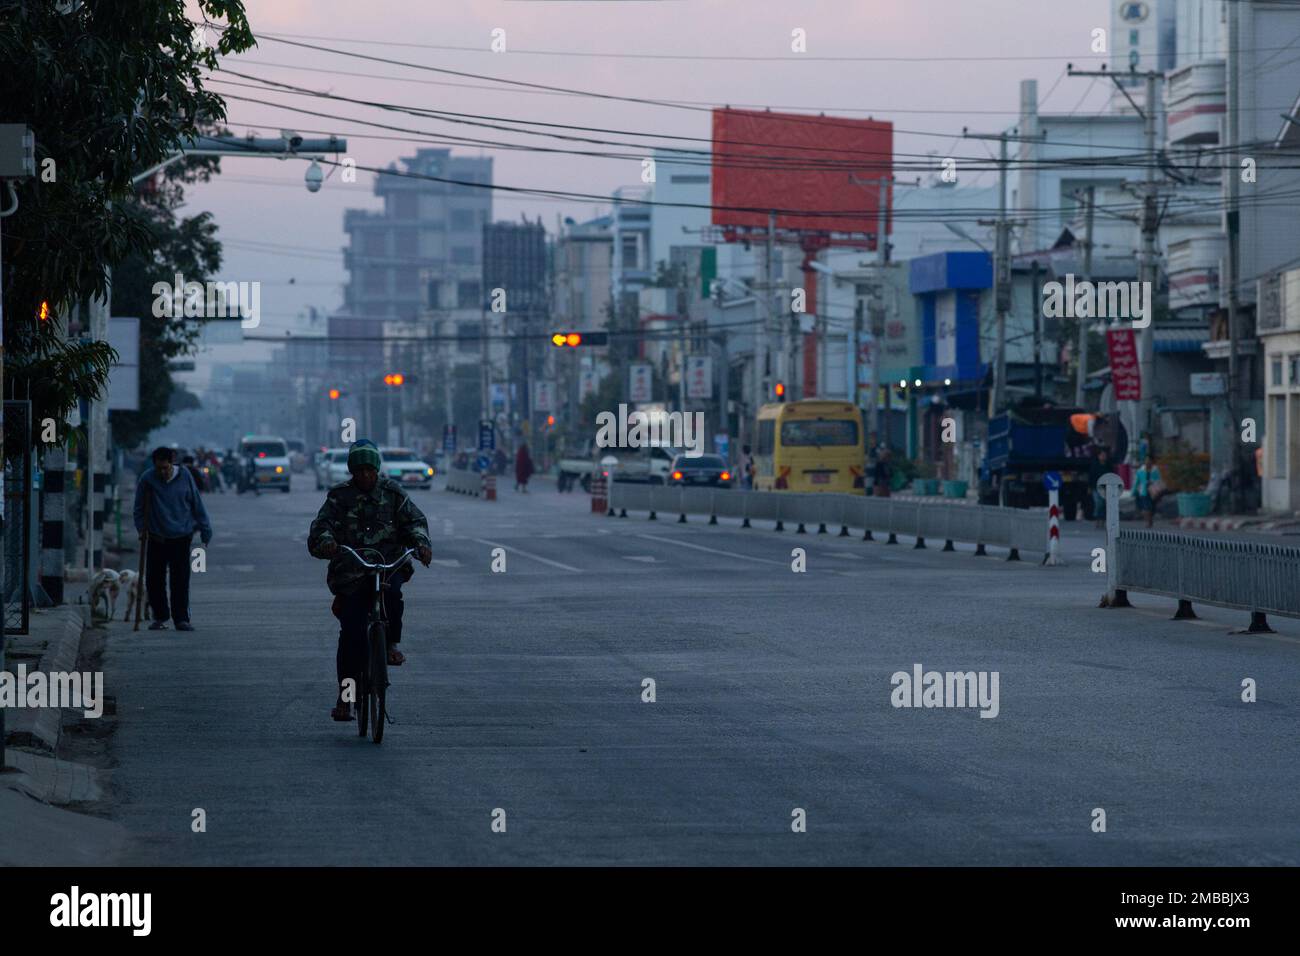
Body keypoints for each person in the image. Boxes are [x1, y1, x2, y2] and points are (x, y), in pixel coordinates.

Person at [307, 440, 432, 722]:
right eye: (359, 470)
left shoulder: (393, 493)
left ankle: (389, 645)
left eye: (369, 470)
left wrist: (421, 543)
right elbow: (321, 527)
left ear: (376, 470)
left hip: (388, 565)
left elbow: (415, 522)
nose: (365, 475)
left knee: (394, 597)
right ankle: (346, 698)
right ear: (352, 471)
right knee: (351, 634)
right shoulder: (339, 497)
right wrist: (326, 541)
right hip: (352, 571)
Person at [133, 446, 213, 632]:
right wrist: (141, 530)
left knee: (180, 580)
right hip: (156, 536)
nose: (162, 472)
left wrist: (205, 529)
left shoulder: (185, 476)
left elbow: (196, 504)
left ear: (172, 462)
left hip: (181, 536)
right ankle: (160, 616)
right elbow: (138, 509)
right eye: (158, 468)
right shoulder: (148, 479)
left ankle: (181, 619)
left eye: (165, 468)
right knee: (154, 580)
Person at [1087, 447, 1116, 528]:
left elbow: (1112, 476)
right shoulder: (1095, 465)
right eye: (1102, 455)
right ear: (1098, 456)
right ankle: (1096, 519)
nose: (1103, 457)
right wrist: (1089, 487)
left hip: (1106, 488)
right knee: (1098, 503)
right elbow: (1091, 477)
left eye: (1104, 455)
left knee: (1104, 504)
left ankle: (1102, 521)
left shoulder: (1108, 466)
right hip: (1096, 488)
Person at [1134, 454, 1163, 528]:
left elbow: (1159, 480)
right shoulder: (1140, 470)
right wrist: (1133, 491)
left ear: (1152, 461)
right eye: (1146, 460)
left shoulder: (1155, 470)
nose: (1147, 462)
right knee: (1146, 508)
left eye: (1149, 460)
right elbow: (1136, 481)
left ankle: (1150, 519)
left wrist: (1152, 481)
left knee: (1152, 508)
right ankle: (1148, 521)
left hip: (1153, 491)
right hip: (1143, 491)